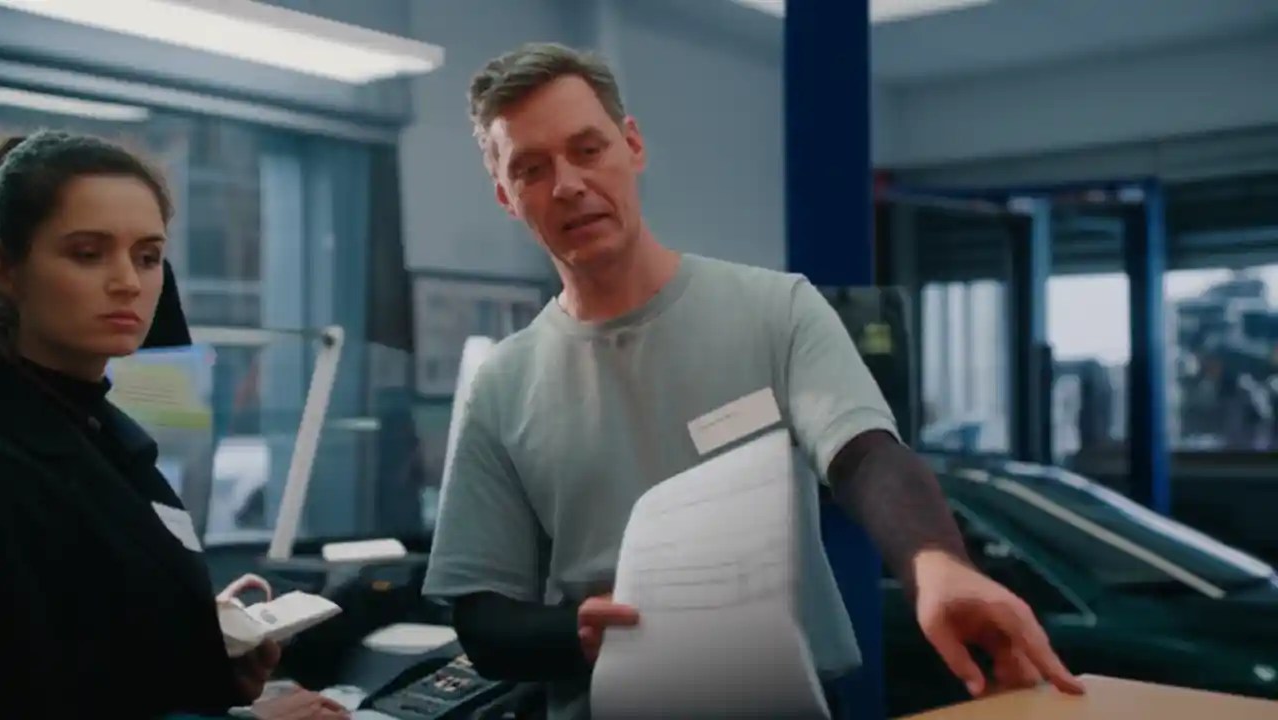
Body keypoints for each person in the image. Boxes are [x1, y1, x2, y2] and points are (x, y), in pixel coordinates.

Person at [422, 42, 1087, 719]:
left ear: (632, 145)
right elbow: (484, 618)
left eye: (587, 149)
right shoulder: (502, 382)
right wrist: (576, 634)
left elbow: (864, 454)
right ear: (507, 196)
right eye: (532, 169)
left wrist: (936, 564)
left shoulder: (777, 309)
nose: (566, 184)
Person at [0, 131, 347, 719]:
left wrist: (208, 661)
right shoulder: (13, 457)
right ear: (6, 269)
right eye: (88, 253)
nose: (128, 282)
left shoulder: (107, 436)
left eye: (148, 256)